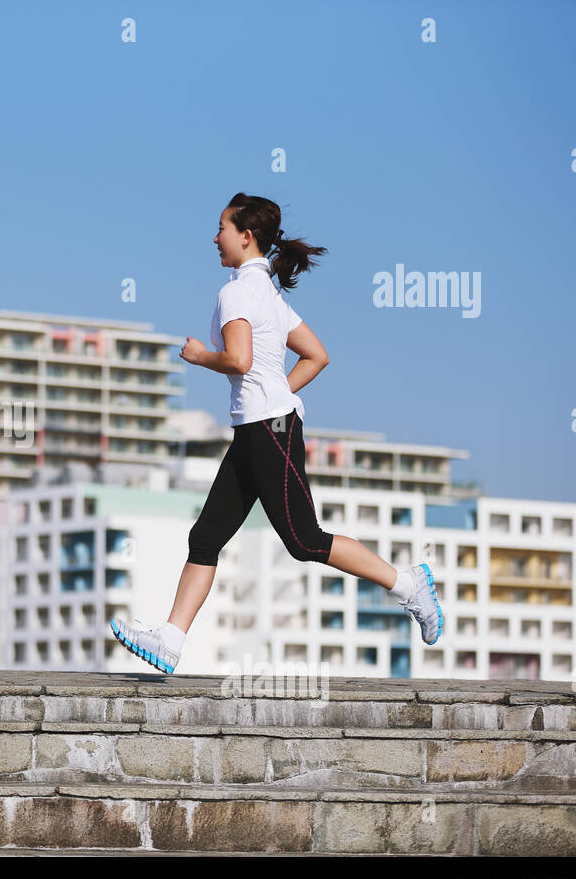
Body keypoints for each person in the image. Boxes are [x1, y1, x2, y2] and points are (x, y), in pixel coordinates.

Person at [109, 192, 443, 674]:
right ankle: (171, 641)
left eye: (221, 228)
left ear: (245, 237)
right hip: (257, 426)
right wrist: (274, 396)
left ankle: (410, 586)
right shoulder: (267, 293)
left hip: (270, 426)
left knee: (305, 540)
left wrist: (204, 357)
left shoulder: (238, 291)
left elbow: (240, 359)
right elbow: (317, 355)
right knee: (205, 537)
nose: (215, 237)